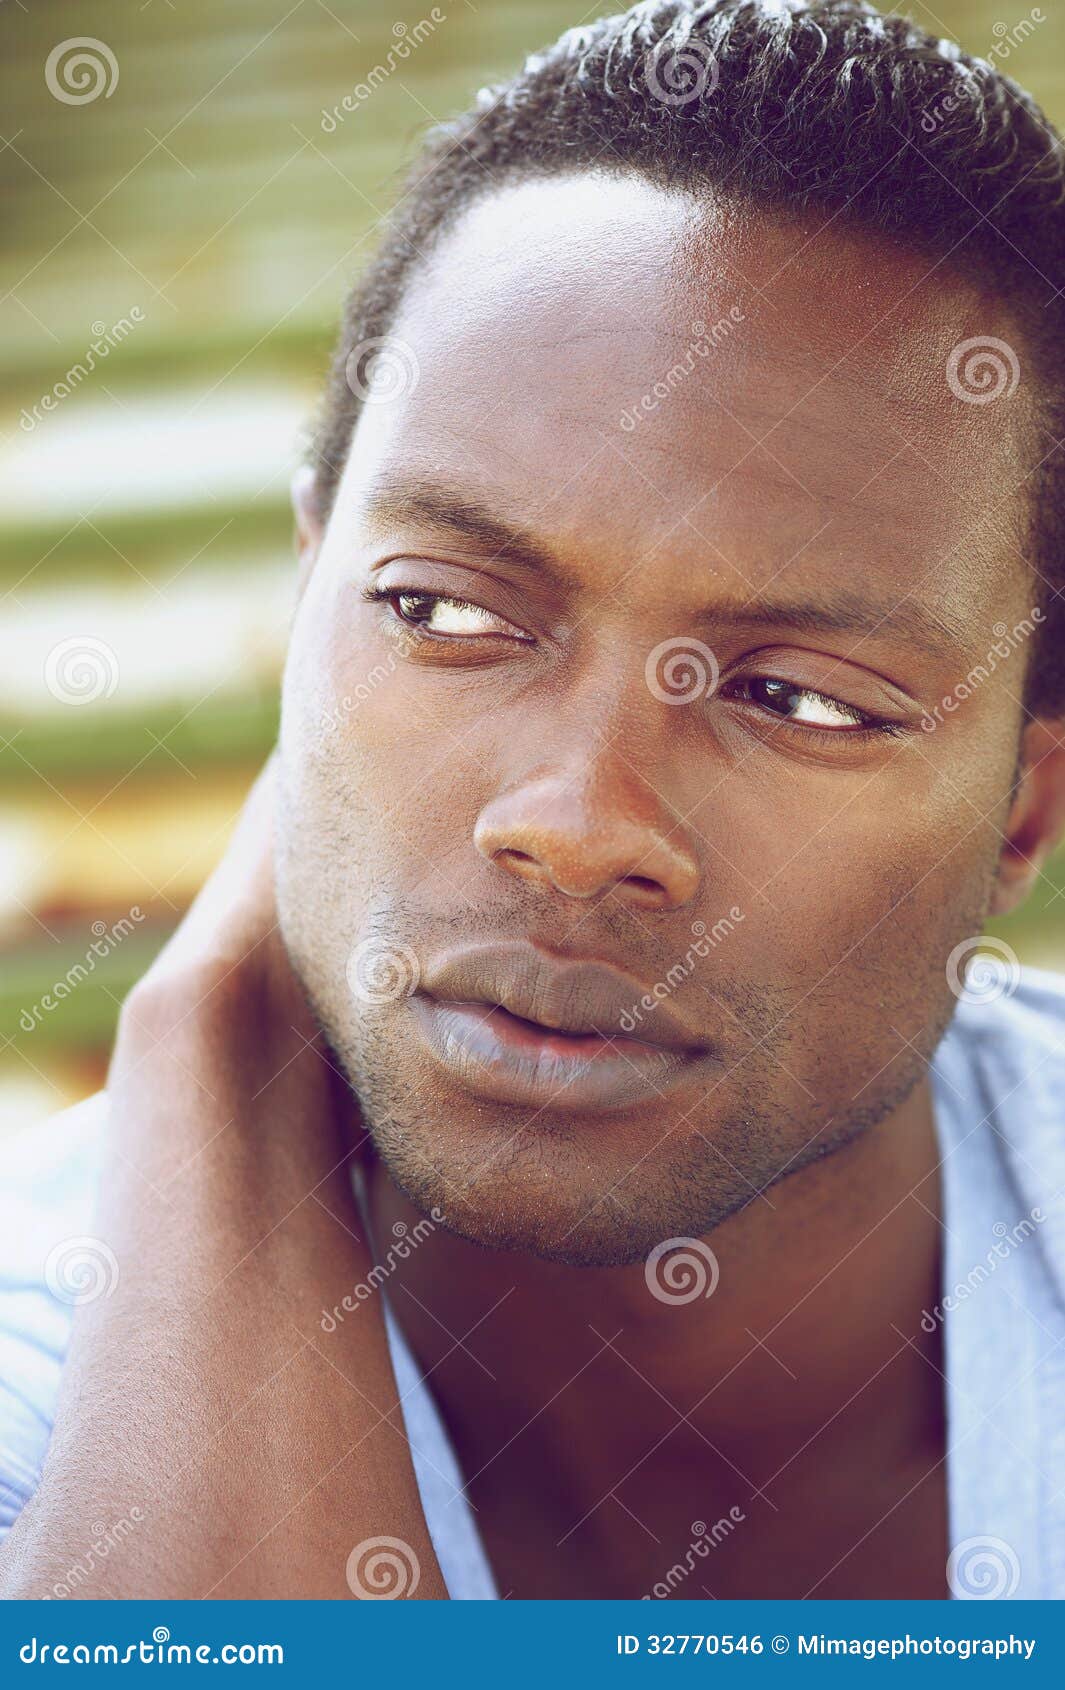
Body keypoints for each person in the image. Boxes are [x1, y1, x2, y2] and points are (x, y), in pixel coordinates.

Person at [3, 0, 1065, 1601]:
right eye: (438, 612)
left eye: (801, 699)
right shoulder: (45, 1378)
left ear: (1022, 816)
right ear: (308, 609)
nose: (575, 821)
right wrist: (203, 1079)